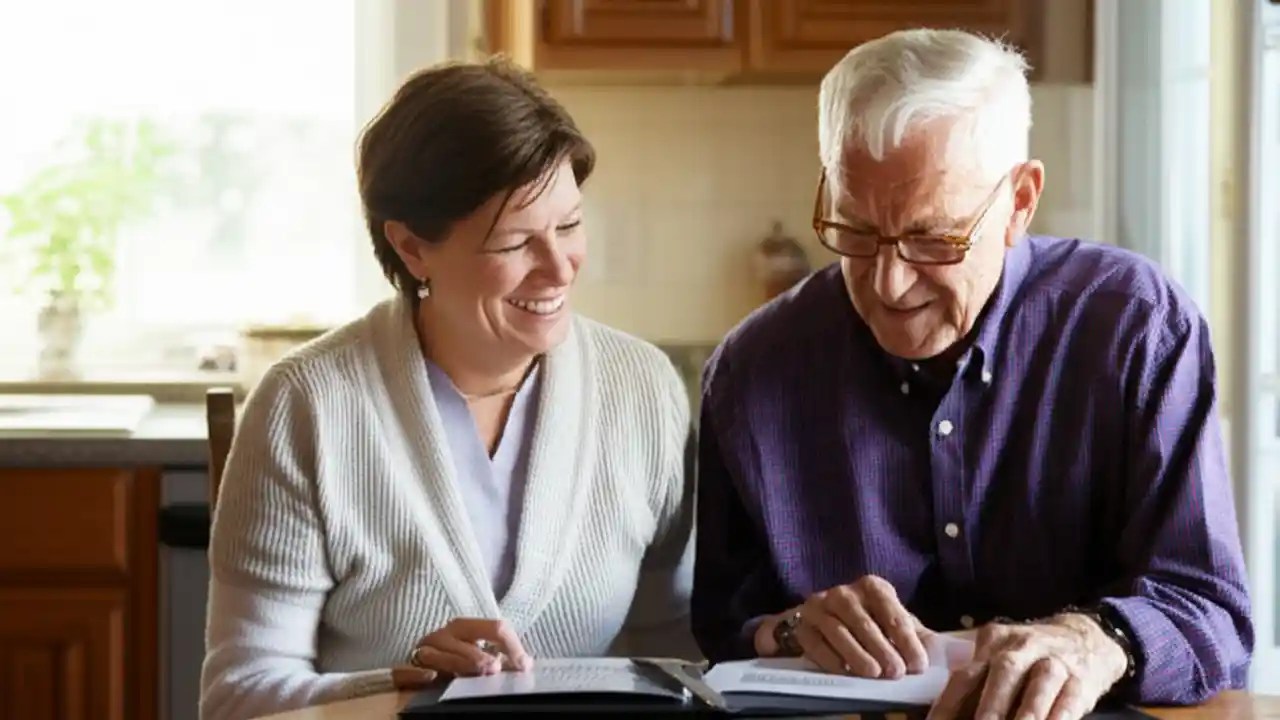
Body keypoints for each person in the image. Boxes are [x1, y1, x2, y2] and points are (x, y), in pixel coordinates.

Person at [691, 28, 1253, 720]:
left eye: (932, 238)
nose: (890, 285)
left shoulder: (1135, 329)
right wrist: (788, 629)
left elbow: (1212, 618)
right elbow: (722, 634)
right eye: (857, 232)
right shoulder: (750, 374)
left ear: (1020, 202)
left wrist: (1097, 638)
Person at [200, 58, 699, 720]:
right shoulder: (309, 405)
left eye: (570, 226)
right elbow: (238, 697)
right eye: (515, 242)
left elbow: (682, 650)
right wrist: (402, 687)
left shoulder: (643, 391)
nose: (558, 267)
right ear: (412, 249)